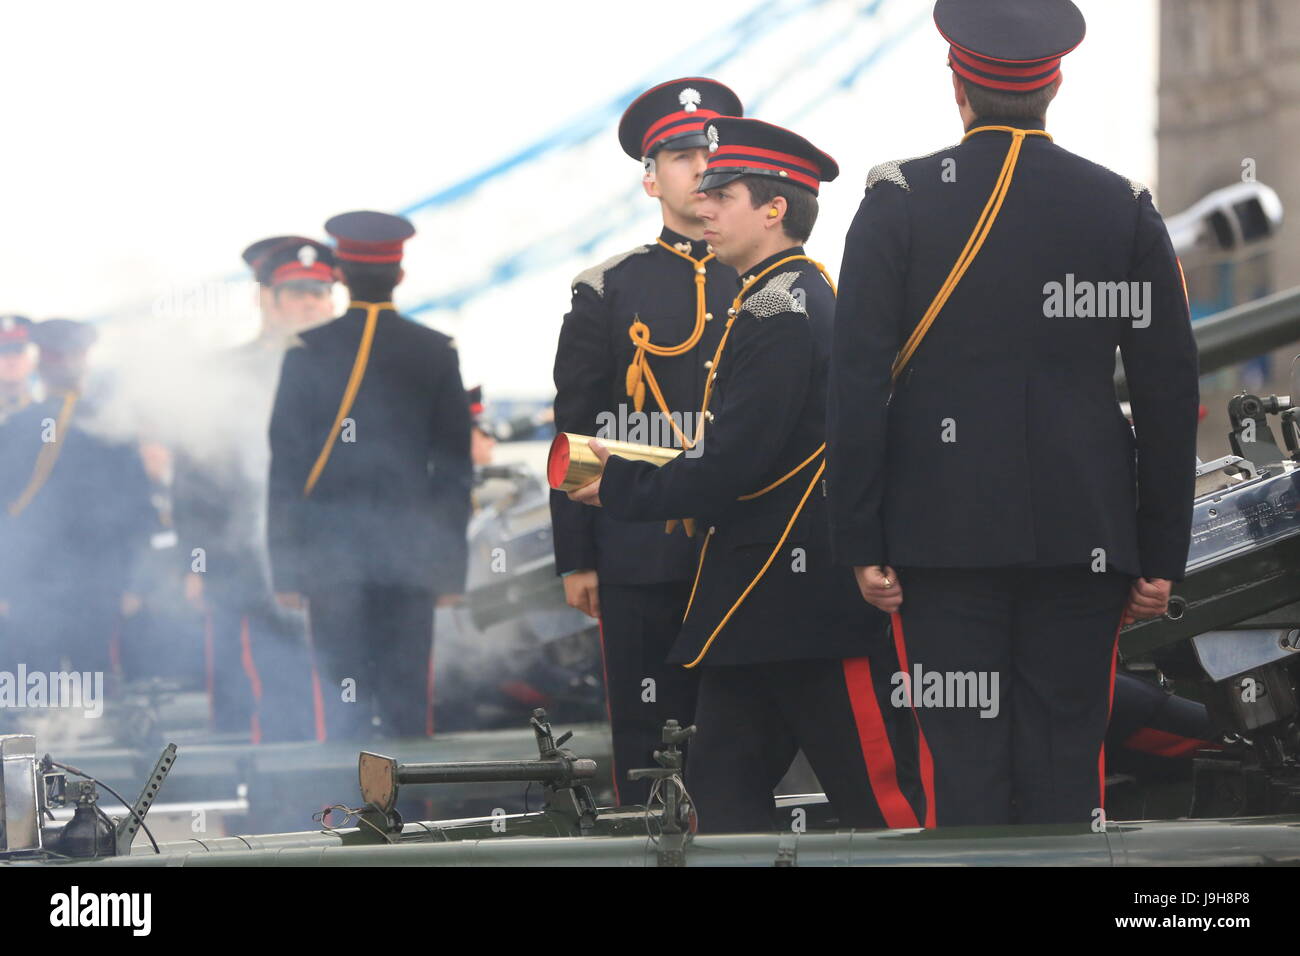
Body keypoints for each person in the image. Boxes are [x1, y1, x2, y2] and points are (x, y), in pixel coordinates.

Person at [825, 0, 1200, 826]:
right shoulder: (1123, 207)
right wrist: (1159, 554)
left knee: (959, 764)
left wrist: (862, 539)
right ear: (1054, 82)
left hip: (939, 541)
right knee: (1069, 762)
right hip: (1087, 540)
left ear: (957, 84)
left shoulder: (898, 200)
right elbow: (1170, 393)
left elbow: (854, 387)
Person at [570, 117, 919, 833]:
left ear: (774, 208)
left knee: (883, 809)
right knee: (720, 810)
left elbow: (733, 462)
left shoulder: (779, 306)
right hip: (753, 617)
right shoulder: (773, 296)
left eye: (723, 195)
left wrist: (622, 485)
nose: (705, 208)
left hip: (808, 610)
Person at [550, 78, 743, 804]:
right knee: (647, 739)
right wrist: (578, 555)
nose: (700, 168)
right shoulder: (608, 288)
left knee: (740, 741)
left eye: (712, 154)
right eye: (682, 155)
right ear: (650, 178)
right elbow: (577, 430)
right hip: (640, 549)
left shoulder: (767, 278)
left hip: (747, 544)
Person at [267, 211, 471, 741]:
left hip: (329, 559)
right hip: (411, 557)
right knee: (408, 711)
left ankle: (340, 819)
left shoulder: (306, 352)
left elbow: (286, 467)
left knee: (340, 708)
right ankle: (413, 822)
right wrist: (448, 569)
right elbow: (454, 470)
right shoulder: (435, 351)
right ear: (399, 276)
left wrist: (287, 569)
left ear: (340, 274)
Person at [172, 236, 337, 740]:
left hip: (334, 561)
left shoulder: (348, 370)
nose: (311, 302)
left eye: (321, 292)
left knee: (334, 701)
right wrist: (196, 565)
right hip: (238, 566)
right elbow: (193, 483)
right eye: (297, 292)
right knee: (251, 702)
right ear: (265, 297)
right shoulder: (222, 373)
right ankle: (259, 815)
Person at [0, 320, 155, 677]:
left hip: (67, 575)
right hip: (60, 576)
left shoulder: (106, 424)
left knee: (57, 684)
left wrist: (136, 581)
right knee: (74, 685)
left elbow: (137, 507)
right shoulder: (108, 423)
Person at [0, 315, 35, 424]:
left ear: (32, 361)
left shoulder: (50, 417)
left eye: (18, 351)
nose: (11, 360)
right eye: (3, 351)